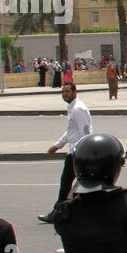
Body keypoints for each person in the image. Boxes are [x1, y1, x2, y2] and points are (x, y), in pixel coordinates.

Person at [38, 82, 92, 222]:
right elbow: (71, 132)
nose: (64, 94)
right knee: (76, 184)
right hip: (75, 152)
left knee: (67, 184)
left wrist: (81, 151)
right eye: (63, 91)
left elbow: (85, 132)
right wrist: (57, 145)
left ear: (74, 92)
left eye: (67, 91)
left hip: (77, 153)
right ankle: (70, 211)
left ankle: (57, 213)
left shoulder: (78, 109)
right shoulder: (73, 108)